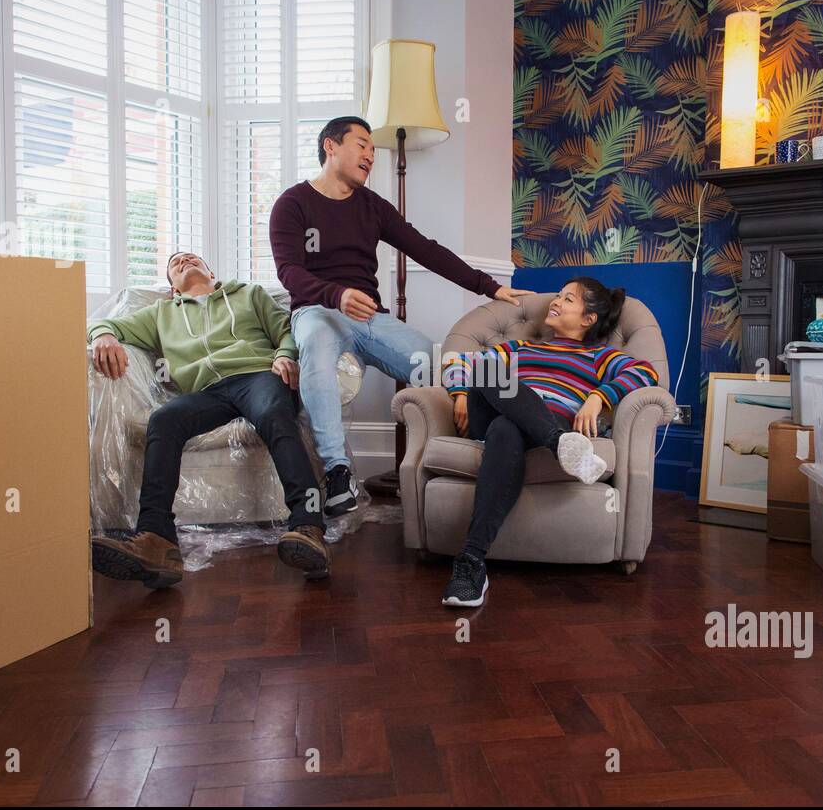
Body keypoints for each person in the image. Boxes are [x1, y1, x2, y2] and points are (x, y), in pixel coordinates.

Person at [270, 115, 533, 517]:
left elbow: (426, 249)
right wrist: (335, 295)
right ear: (330, 146)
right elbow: (289, 272)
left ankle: (494, 439)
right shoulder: (292, 204)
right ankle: (337, 473)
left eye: (373, 150)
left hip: (371, 318)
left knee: (438, 365)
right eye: (361, 145)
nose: (370, 155)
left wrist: (489, 285)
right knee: (317, 350)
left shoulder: (373, 207)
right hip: (317, 312)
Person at [88, 251, 330, 589]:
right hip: (206, 391)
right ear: (172, 288)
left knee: (274, 415)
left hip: (257, 375)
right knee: (163, 420)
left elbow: (286, 330)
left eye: (192, 258)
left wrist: (285, 355)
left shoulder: (248, 294)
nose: (185, 261)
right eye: (176, 263)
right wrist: (103, 336)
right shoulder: (160, 312)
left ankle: (308, 526)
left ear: (210, 271)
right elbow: (107, 324)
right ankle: (156, 540)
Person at [438, 278, 660, 607]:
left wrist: (599, 397)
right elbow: (458, 361)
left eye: (568, 299)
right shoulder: (521, 349)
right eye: (558, 295)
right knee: (488, 370)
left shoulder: (600, 356)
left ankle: (471, 563)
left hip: (528, 425)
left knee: (505, 427)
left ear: (589, 319)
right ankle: (561, 446)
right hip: (517, 425)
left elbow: (645, 373)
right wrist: (458, 393)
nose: (556, 301)